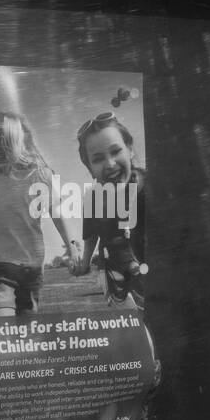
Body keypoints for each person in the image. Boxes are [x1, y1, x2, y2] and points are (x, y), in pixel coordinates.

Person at [0, 111, 78, 317]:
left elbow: (57, 214)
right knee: (1, 328)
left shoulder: (40, 176)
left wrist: (72, 246)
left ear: (17, 142)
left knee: (25, 334)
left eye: (2, 143)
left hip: (30, 270)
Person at [70, 112, 147, 308]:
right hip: (114, 275)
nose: (110, 164)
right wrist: (85, 262)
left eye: (115, 151)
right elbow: (90, 236)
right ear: (89, 167)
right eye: (97, 159)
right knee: (132, 328)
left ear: (129, 149)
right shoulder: (92, 198)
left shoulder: (150, 185)